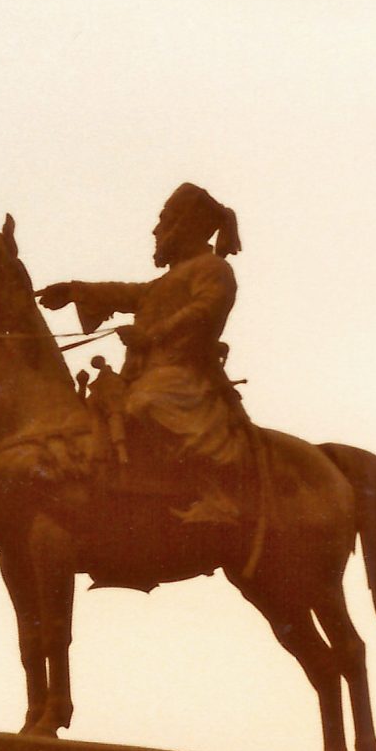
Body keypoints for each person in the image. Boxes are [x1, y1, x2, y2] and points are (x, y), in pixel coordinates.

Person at [38, 183, 248, 521]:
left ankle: (218, 496)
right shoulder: (167, 281)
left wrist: (152, 335)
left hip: (186, 375)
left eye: (164, 221)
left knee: (145, 404)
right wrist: (75, 290)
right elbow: (127, 293)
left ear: (186, 226)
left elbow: (205, 310)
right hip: (145, 374)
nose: (156, 230)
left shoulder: (213, 269)